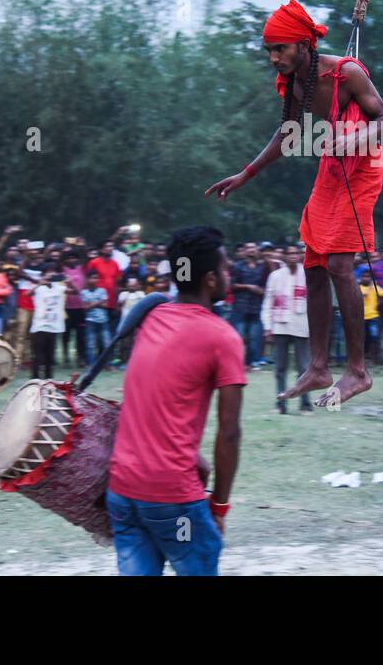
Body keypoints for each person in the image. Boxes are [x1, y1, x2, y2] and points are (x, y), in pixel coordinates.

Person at [206, 0, 383, 406]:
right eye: (270, 50)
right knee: (313, 265)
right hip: (332, 166)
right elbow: (288, 133)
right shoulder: (295, 84)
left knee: (341, 264)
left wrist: (350, 139)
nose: (274, 58)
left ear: (305, 44)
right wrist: (246, 173)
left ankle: (358, 371)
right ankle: (319, 366)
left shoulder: (348, 73)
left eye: (281, 49)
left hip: (363, 167)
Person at [106, 226, 245, 576]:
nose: (230, 275)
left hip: (122, 495)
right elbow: (229, 433)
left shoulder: (151, 317)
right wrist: (220, 507)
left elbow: (155, 398)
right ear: (211, 279)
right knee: (196, 554)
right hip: (172, 504)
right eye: (226, 269)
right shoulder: (221, 337)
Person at [262, 245, 312, 413]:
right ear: (284, 256)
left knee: (303, 368)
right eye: (289, 253)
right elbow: (268, 302)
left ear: (299, 255)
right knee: (280, 368)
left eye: (295, 253)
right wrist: (267, 327)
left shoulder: (307, 274)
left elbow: (314, 302)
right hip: (280, 326)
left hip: (301, 325)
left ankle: (305, 404)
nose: (292, 256)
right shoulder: (275, 276)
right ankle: (281, 404)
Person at [228, 242, 267, 370]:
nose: (251, 250)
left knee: (254, 338)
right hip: (240, 307)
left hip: (257, 308)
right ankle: (238, 362)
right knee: (238, 337)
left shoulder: (263, 267)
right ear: (244, 251)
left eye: (254, 248)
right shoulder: (237, 266)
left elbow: (267, 286)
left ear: (257, 251)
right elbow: (232, 286)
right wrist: (248, 287)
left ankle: (252, 363)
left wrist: (262, 290)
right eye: (248, 248)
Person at [29, 270, 68, 381]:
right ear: (43, 276)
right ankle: (35, 377)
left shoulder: (59, 288)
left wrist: (68, 282)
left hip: (54, 327)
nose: (50, 279)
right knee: (38, 354)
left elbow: (74, 292)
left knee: (50, 354)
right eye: (48, 276)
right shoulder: (39, 288)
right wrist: (39, 284)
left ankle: (48, 377)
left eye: (53, 277)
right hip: (39, 326)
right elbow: (27, 294)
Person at [80, 270, 110, 370]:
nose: (94, 280)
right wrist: (98, 302)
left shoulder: (102, 290)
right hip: (90, 321)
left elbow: (105, 305)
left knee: (106, 343)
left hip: (103, 320)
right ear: (87, 279)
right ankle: (92, 365)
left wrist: (92, 303)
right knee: (90, 344)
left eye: (96, 278)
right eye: (92, 277)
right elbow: (85, 308)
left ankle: (107, 364)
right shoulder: (84, 292)